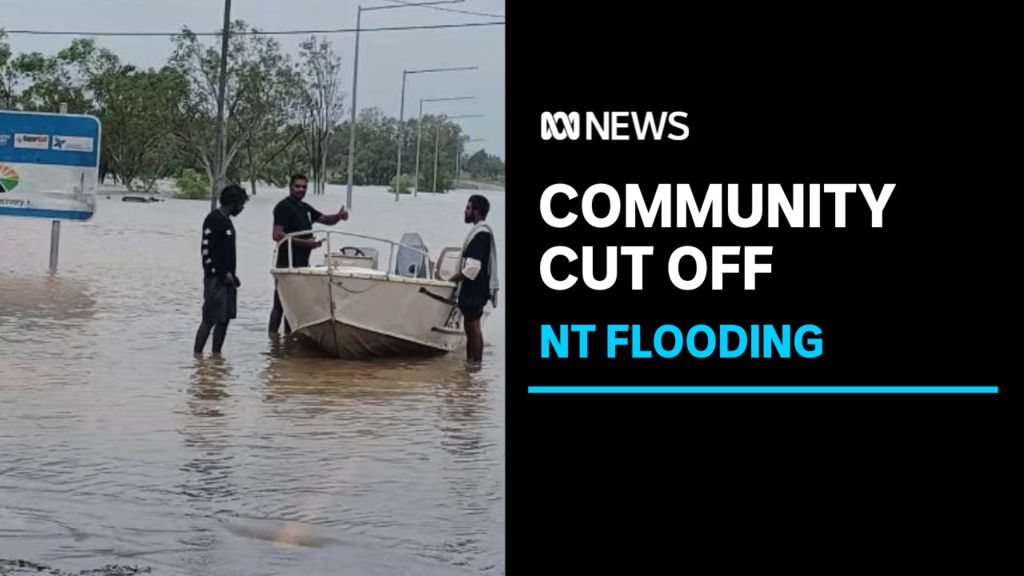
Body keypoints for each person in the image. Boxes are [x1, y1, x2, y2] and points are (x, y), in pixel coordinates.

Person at [268, 174, 349, 334]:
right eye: (297, 186)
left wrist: (338, 217)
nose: (301, 189)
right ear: (290, 187)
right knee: (280, 305)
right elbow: (277, 235)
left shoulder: (304, 208)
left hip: (302, 265)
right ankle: (273, 342)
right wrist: (307, 244)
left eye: (304, 187)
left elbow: (325, 219)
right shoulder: (283, 207)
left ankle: (288, 340)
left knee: (294, 304)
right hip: (286, 265)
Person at [194, 184, 248, 355]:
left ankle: (216, 356)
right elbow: (208, 252)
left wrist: (232, 275)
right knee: (209, 319)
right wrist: (221, 273)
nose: (242, 209)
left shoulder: (226, 221)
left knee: (225, 319)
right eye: (241, 204)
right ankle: (197, 356)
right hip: (215, 279)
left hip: (228, 278)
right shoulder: (214, 219)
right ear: (233, 203)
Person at [447, 194, 499, 363]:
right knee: (472, 329)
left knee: (473, 329)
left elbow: (472, 269)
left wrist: (453, 279)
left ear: (476, 211)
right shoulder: (482, 232)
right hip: (477, 290)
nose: (465, 211)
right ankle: (472, 370)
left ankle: (474, 364)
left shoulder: (479, 235)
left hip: (474, 290)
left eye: (468, 208)